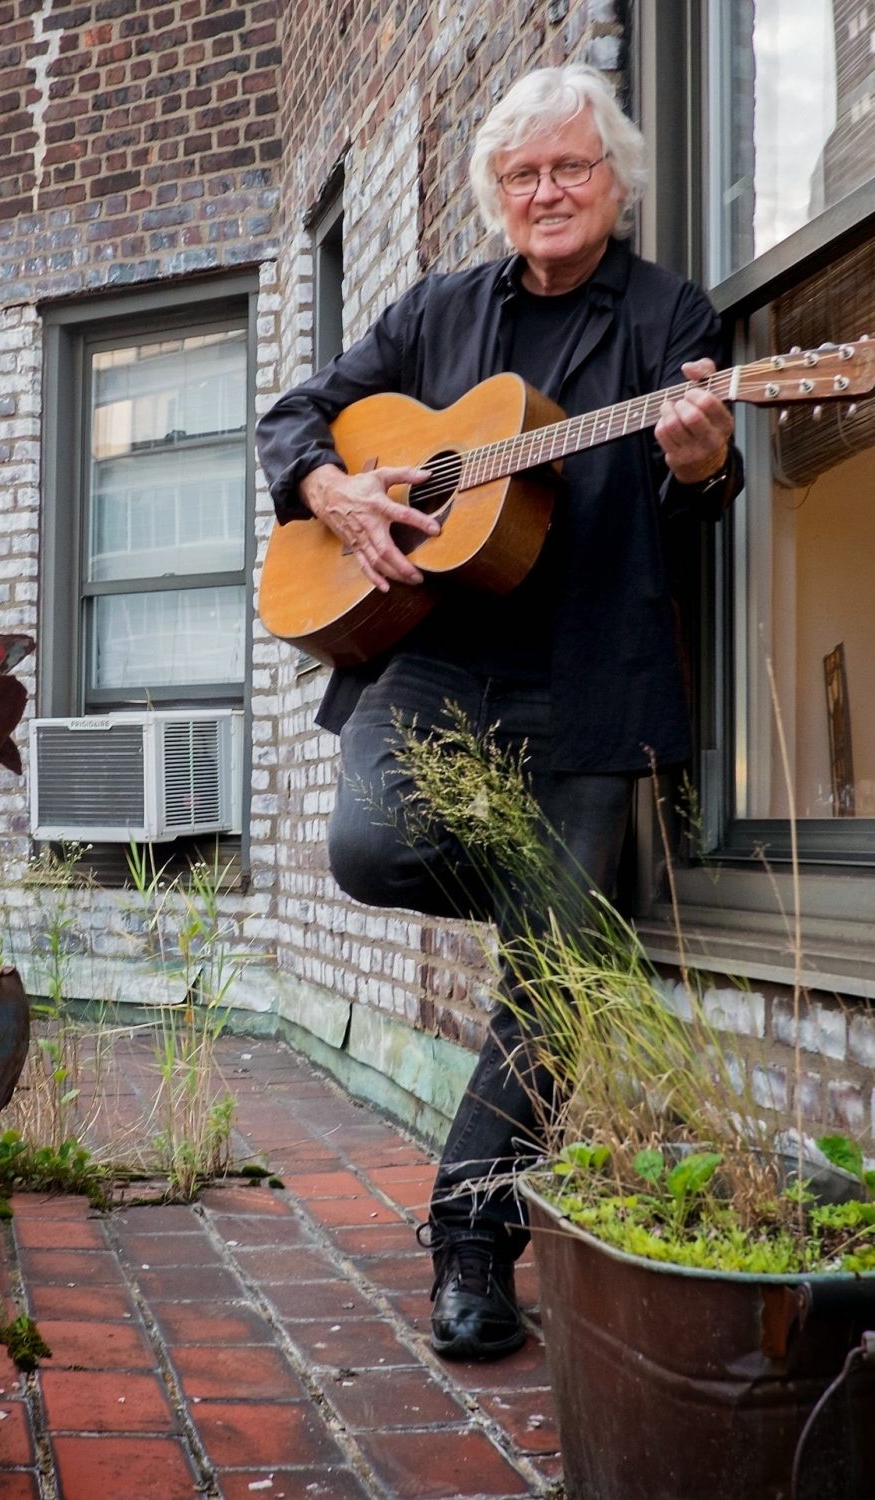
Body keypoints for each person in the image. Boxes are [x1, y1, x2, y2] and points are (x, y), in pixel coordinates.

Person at [256, 65, 741, 1361]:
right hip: (434, 657)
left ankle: (471, 1251)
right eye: (523, 175)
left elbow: (698, 488)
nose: (546, 193)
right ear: (494, 193)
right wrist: (328, 490)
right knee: (370, 847)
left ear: (613, 181)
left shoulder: (664, 317)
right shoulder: (432, 314)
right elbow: (296, 414)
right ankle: (562, 908)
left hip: (588, 674)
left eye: (569, 169)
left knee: (550, 989)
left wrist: (704, 464)